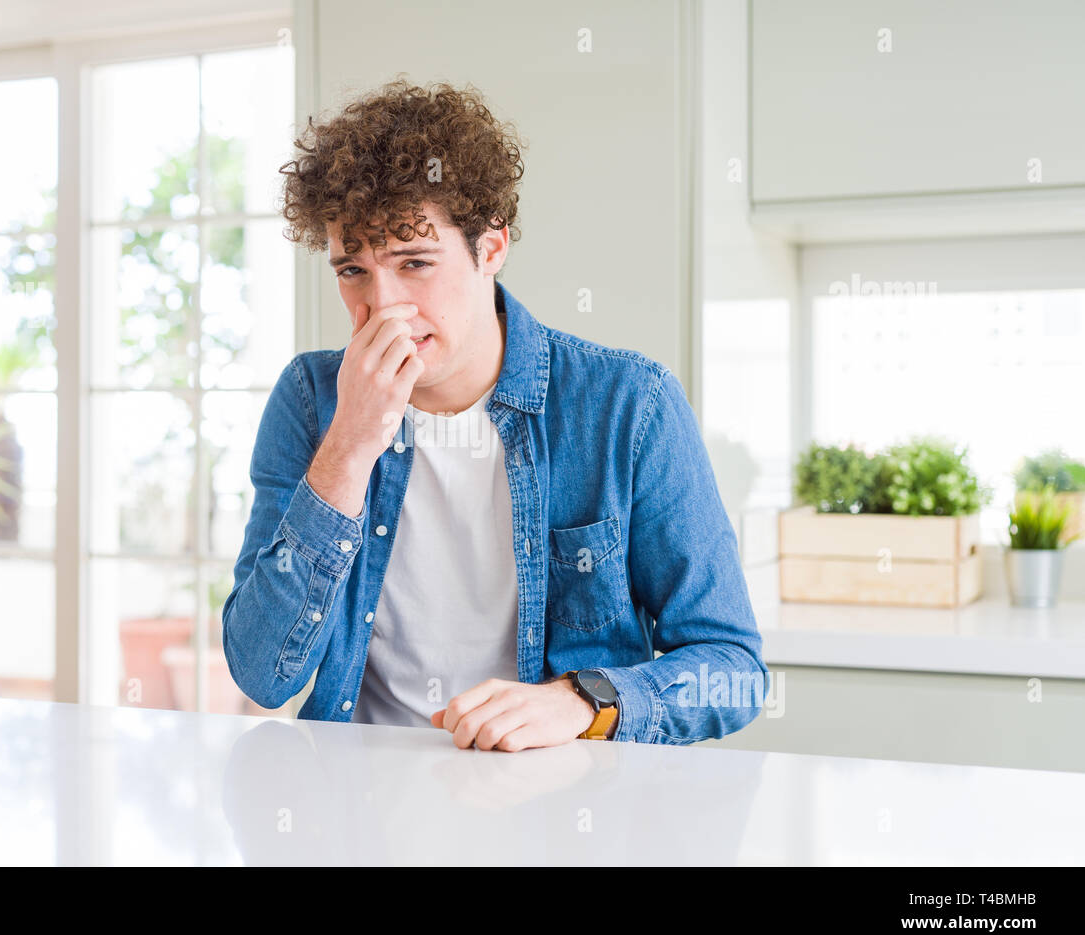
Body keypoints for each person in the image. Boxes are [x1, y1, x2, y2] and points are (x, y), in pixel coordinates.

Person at [221, 78, 768, 749]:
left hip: (560, 811)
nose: (384, 306)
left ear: (493, 247)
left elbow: (735, 672)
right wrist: (349, 446)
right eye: (353, 272)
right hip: (357, 803)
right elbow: (261, 674)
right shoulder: (311, 399)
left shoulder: (631, 405)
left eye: (415, 262)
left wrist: (583, 701)